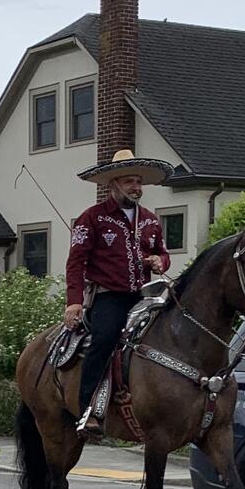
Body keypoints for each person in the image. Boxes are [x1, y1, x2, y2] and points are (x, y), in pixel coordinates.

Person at [65, 148, 174, 437]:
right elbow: (75, 263)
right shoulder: (92, 218)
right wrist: (73, 303)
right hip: (108, 296)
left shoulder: (150, 220)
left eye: (138, 181)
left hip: (146, 295)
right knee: (104, 339)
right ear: (113, 184)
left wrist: (159, 262)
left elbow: (163, 254)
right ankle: (87, 409)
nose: (136, 187)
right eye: (129, 181)